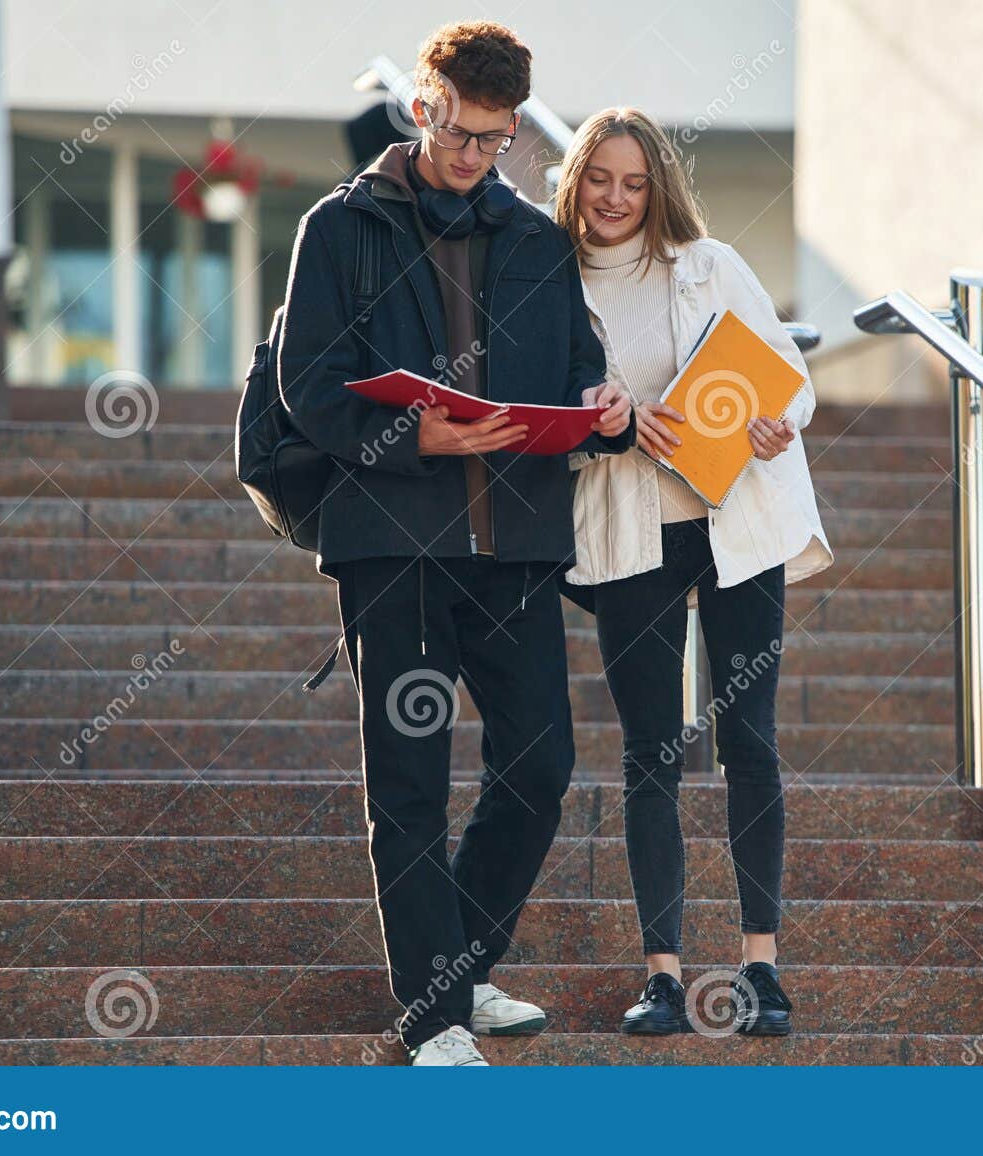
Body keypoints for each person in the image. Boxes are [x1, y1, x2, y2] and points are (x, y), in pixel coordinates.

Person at [277, 23, 633, 1066]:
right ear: (420, 103)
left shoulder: (534, 241)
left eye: (490, 137)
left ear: (514, 128)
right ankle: (431, 1019)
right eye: (453, 126)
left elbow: (577, 364)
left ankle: (459, 970)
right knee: (410, 784)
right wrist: (407, 435)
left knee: (541, 766)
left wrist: (600, 406)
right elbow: (306, 385)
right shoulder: (340, 229)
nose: (467, 152)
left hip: (515, 548)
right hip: (394, 547)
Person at [555, 107, 832, 1036]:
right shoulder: (545, 281)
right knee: (651, 752)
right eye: (601, 180)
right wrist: (602, 416)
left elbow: (788, 376)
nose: (616, 200)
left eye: (635, 184)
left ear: (658, 186)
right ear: (577, 176)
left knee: (749, 737)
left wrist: (774, 421)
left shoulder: (710, 265)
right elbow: (538, 418)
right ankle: (663, 975)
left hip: (733, 523)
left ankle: (761, 969)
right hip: (628, 533)